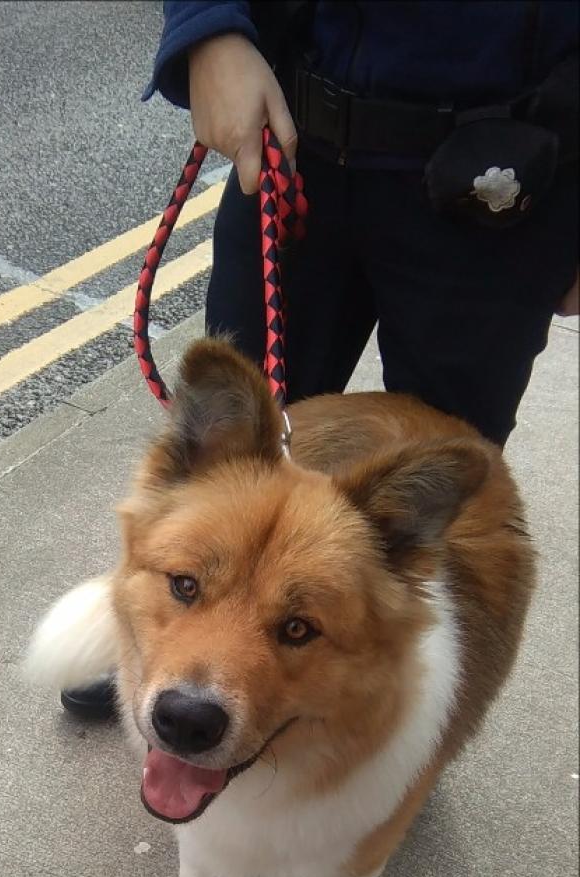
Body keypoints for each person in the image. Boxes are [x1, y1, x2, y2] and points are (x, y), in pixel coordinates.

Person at [61, 0, 578, 722]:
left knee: (425, 509)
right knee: (225, 463)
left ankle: (397, 728)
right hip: (292, 132)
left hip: (503, 176)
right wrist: (208, 27)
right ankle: (170, 650)